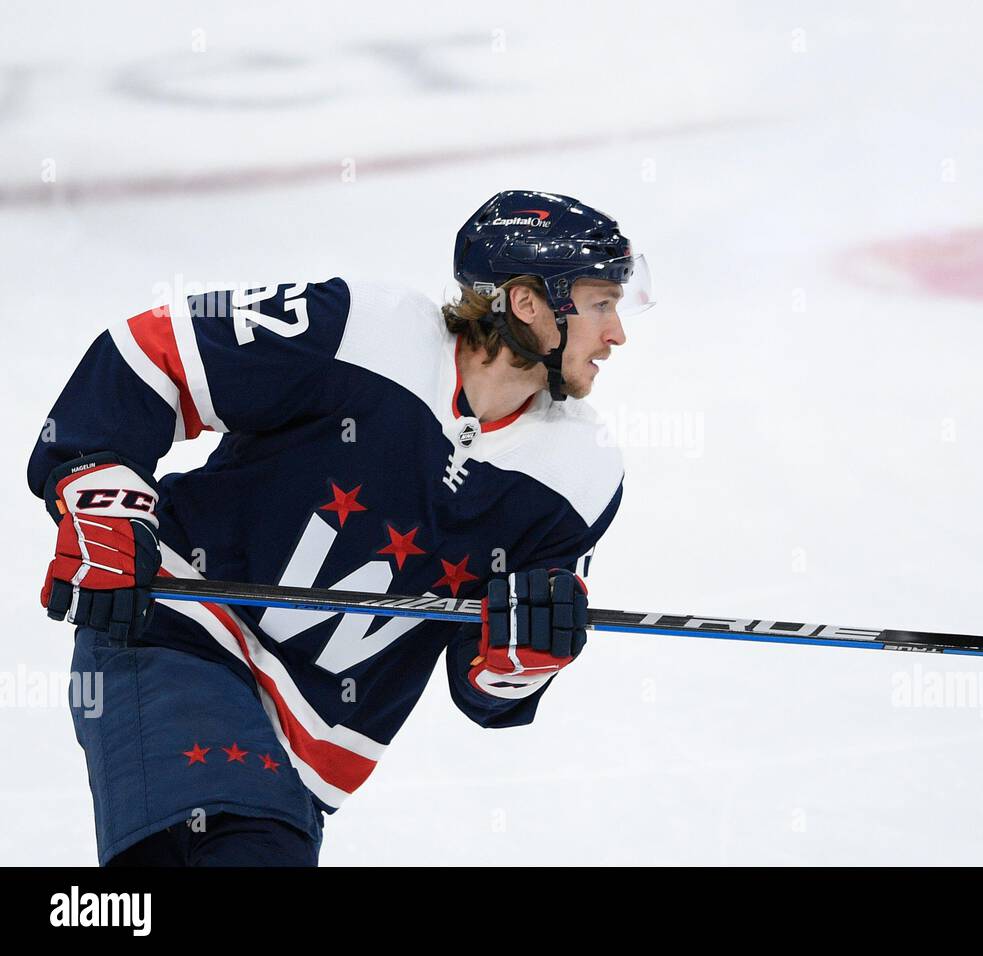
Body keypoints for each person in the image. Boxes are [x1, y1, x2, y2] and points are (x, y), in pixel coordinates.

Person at [26, 189, 653, 866]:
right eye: (600, 304)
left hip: (304, 754)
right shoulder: (361, 328)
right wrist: (103, 499)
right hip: (179, 631)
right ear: (528, 303)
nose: (616, 334)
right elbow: (149, 354)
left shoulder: (581, 477)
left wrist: (525, 654)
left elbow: (485, 688)